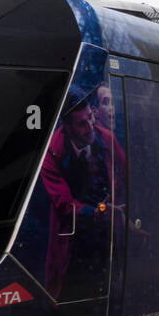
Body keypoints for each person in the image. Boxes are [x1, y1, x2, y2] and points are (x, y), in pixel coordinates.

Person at [41, 91, 126, 301]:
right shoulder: (52, 153)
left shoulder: (107, 138)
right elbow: (64, 204)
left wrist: (115, 201)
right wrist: (96, 212)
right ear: (67, 127)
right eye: (81, 123)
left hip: (106, 236)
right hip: (74, 241)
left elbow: (125, 173)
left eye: (91, 117)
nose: (90, 127)